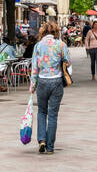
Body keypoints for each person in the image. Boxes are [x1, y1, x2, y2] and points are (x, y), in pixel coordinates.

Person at [29, 22, 70, 155]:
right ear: (55, 32)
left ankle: (42, 140)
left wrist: (33, 84)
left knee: (41, 112)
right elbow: (68, 61)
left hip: (42, 81)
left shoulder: (38, 46)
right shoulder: (61, 44)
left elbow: (34, 66)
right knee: (53, 115)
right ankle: (50, 147)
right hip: (56, 81)